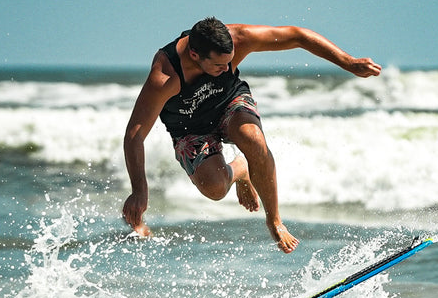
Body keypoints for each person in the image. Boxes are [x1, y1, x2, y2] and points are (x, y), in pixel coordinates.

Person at [122, 17, 381, 253]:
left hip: (229, 104)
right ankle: (241, 170)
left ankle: (275, 220)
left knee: (254, 140)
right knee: (214, 188)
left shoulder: (239, 38)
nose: (226, 69)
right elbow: (135, 134)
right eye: (218, 65)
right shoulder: (165, 76)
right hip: (189, 127)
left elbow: (298, 36)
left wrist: (349, 62)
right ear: (194, 54)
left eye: (229, 62)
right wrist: (139, 190)